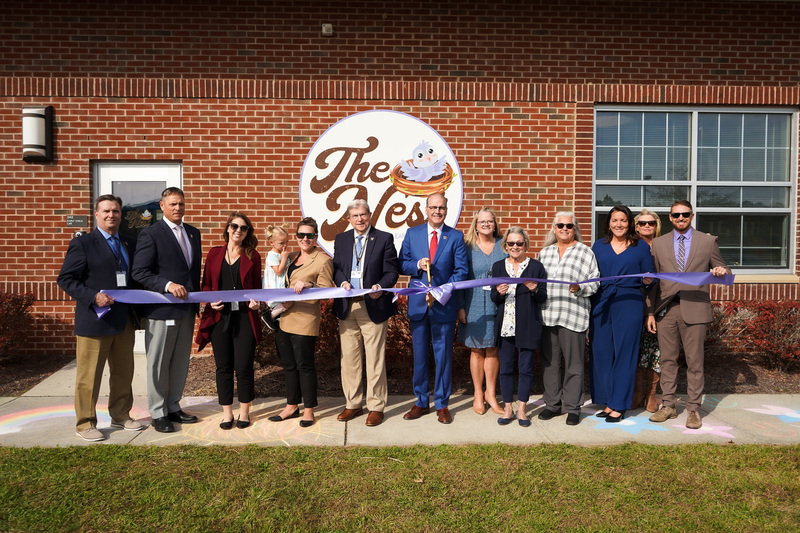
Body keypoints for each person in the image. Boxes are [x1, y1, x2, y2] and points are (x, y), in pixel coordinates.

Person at [57, 194, 146, 441]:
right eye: (106, 211)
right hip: (95, 320)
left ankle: (120, 415)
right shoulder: (84, 243)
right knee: (89, 377)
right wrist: (93, 296)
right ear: (96, 214)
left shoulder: (130, 243)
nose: (111, 215)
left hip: (124, 321)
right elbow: (65, 279)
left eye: (116, 211)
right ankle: (85, 423)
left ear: (121, 215)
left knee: (123, 373)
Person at [647, 200, 730, 429]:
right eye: (676, 215)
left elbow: (725, 270)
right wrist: (650, 312)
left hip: (695, 308)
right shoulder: (658, 243)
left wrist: (721, 272)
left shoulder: (707, 241)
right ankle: (669, 405)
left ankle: (693, 409)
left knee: (695, 362)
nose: (680, 218)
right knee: (667, 360)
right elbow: (652, 282)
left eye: (685, 214)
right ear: (670, 218)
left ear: (692, 215)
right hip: (666, 309)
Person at [131, 187, 202, 433]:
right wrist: (168, 285)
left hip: (186, 310)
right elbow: (139, 271)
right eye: (172, 204)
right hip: (161, 311)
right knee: (158, 363)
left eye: (180, 203)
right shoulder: (151, 234)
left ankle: (173, 406)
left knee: (180, 362)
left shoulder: (193, 233)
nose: (177, 208)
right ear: (161, 206)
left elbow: (192, 271)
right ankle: (158, 412)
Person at [400, 193, 468, 424]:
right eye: (433, 207)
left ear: (446, 210)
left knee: (443, 357)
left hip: (443, 305)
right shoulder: (412, 233)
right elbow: (401, 263)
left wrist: (443, 291)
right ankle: (420, 401)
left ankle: (442, 403)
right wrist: (417, 264)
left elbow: (461, 271)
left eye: (441, 208)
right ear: (425, 209)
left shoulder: (455, 236)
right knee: (419, 356)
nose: (437, 211)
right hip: (419, 304)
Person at [332, 199, 400, 427]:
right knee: (349, 359)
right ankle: (352, 404)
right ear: (348, 219)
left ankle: (376, 406)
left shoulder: (383, 238)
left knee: (375, 359)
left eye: (363, 214)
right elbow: (337, 268)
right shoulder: (341, 239)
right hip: (348, 305)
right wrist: (341, 282)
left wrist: (380, 287)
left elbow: (392, 271)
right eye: (355, 216)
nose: (360, 219)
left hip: (374, 304)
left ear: (370, 215)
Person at [195, 212, 263, 430]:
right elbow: (206, 285)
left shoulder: (253, 256)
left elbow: (256, 289)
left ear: (247, 233)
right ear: (227, 229)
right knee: (223, 367)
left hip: (244, 317)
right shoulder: (214, 253)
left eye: (243, 228)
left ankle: (244, 412)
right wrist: (210, 300)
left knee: (243, 367)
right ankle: (227, 413)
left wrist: (256, 303)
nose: (238, 231)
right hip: (220, 317)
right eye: (234, 226)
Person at [589, 205, 654, 423]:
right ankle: (608, 401)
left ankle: (619, 404)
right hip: (602, 302)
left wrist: (648, 280)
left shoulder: (640, 247)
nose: (619, 224)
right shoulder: (598, 246)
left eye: (623, 220)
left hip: (629, 302)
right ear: (608, 223)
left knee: (625, 354)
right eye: (615, 220)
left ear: (630, 223)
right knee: (602, 352)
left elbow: (650, 277)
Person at [268, 217, 334, 428]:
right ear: (296, 237)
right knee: (289, 365)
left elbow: (325, 289)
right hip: (284, 318)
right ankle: (291, 406)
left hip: (305, 319)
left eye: (310, 235)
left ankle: (309, 410)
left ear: (316, 237)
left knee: (305, 366)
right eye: (301, 235)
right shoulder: (292, 257)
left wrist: (308, 283)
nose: (305, 239)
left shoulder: (323, 260)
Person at [537, 212, 600, 426]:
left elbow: (595, 282)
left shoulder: (585, 252)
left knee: (574, 364)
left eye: (569, 226)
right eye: (560, 225)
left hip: (573, 315)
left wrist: (581, 288)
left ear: (575, 229)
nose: (564, 229)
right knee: (550, 363)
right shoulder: (544, 253)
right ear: (554, 228)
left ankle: (573, 407)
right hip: (547, 315)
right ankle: (552, 405)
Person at [490, 227, 547, 427]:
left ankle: (522, 409)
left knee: (525, 369)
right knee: (505, 368)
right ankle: (508, 409)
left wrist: (535, 290)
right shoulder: (498, 267)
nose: (515, 247)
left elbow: (543, 297)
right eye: (511, 243)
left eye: (519, 243)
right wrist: (499, 292)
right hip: (506, 325)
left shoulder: (536, 267)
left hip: (528, 325)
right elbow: (494, 298)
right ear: (505, 245)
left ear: (526, 245)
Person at [456, 207, 507, 415]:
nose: (486, 224)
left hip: (498, 303)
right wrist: (460, 306)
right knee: (476, 350)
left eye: (490, 221)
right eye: (482, 221)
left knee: (493, 349)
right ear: (475, 225)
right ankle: (478, 393)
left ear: (495, 224)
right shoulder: (467, 247)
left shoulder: (503, 246)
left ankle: (491, 394)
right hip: (473, 303)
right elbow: (459, 277)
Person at [631, 209, 662, 412]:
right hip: (635, 304)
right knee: (635, 351)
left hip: (660, 305)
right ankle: (637, 393)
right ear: (636, 226)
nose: (646, 226)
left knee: (655, 353)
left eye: (651, 223)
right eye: (642, 223)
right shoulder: (632, 246)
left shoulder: (663, 246)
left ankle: (651, 394)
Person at [261, 225, 290, 330]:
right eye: (281, 243)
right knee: (289, 302)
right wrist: (284, 258)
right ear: (271, 243)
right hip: (275, 285)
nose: (285, 245)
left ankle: (276, 316)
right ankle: (270, 316)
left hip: (281, 284)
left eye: (287, 242)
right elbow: (278, 271)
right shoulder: (273, 255)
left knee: (287, 303)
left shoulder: (281, 253)